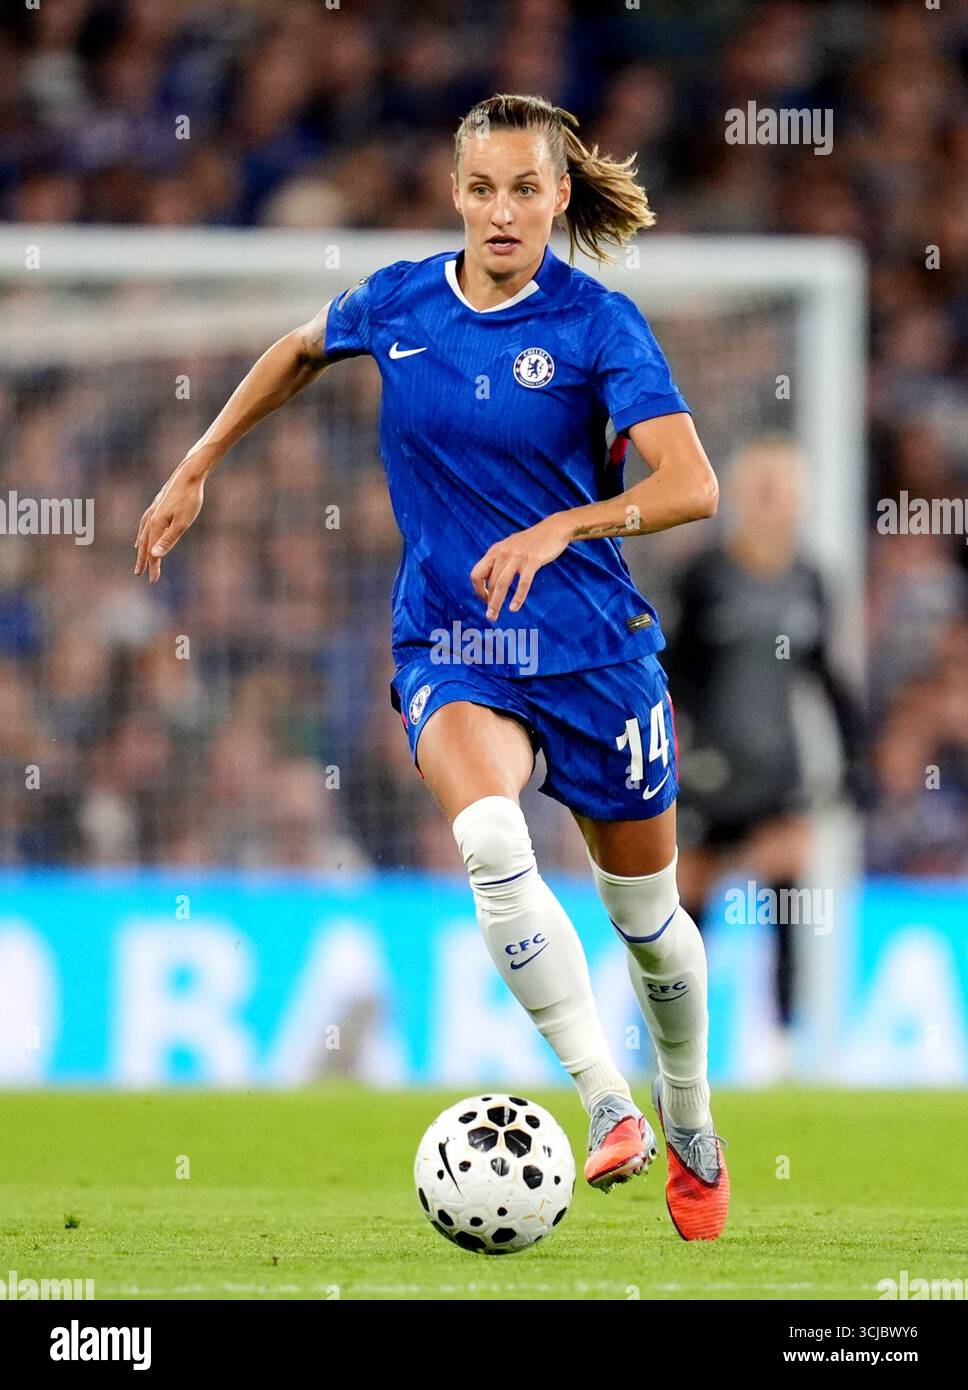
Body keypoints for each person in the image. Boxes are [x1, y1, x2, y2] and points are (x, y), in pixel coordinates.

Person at [134, 94, 727, 1240]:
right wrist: (199, 459)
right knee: (489, 838)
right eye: (480, 187)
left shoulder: (599, 325)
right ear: (454, 193)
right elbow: (301, 348)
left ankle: (689, 1116)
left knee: (646, 917)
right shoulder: (400, 301)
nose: (500, 210)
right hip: (457, 645)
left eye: (523, 189)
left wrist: (569, 525)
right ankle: (608, 1101)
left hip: (596, 656)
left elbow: (689, 483)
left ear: (558, 197)